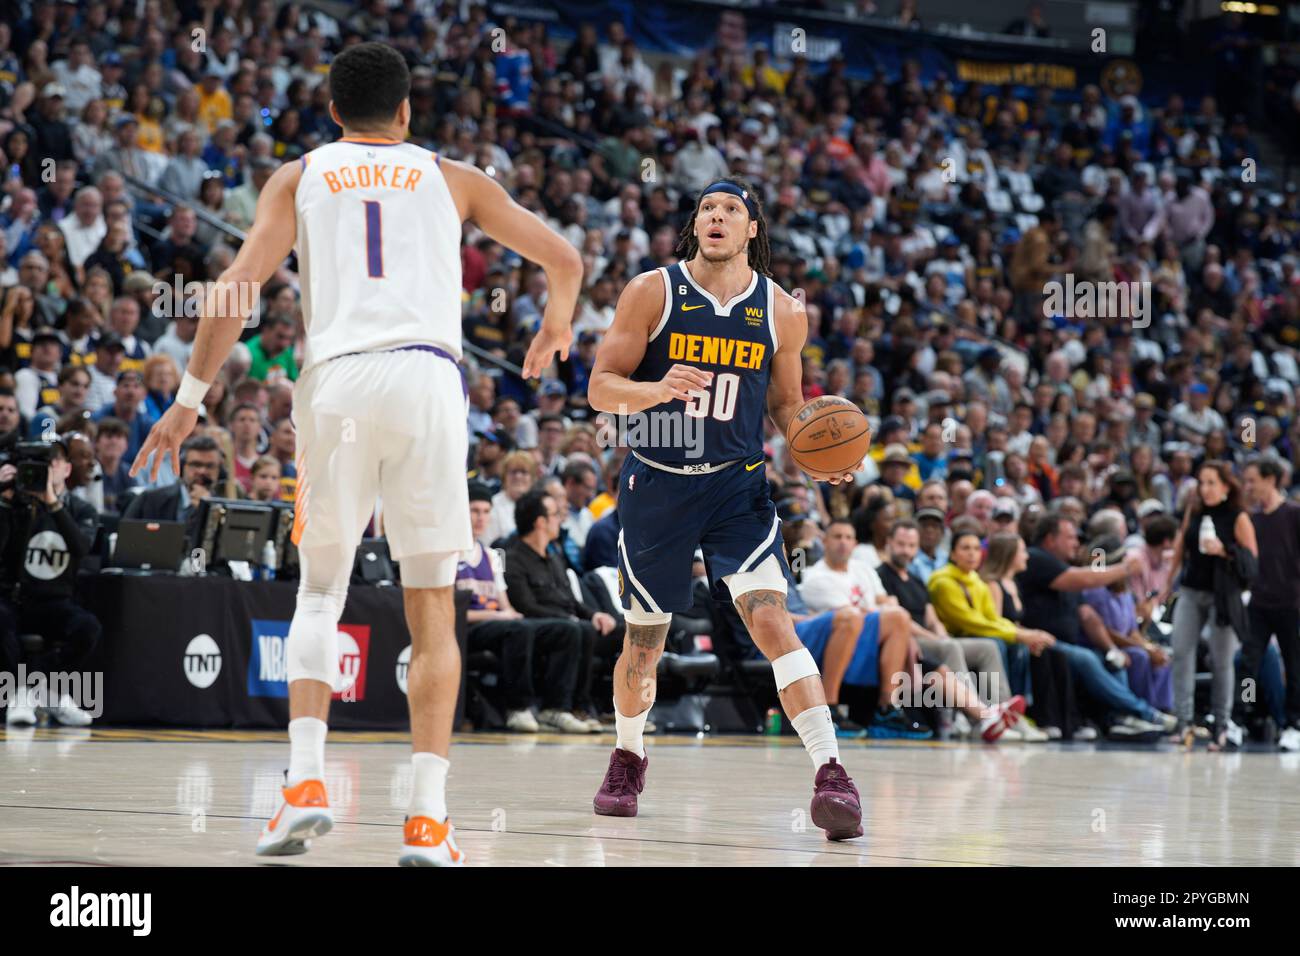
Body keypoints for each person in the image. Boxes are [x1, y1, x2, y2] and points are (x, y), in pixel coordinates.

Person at [130, 42, 580, 867]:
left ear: (332, 112)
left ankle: (303, 787)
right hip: (429, 382)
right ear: (407, 113)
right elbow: (566, 259)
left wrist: (189, 402)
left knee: (318, 591)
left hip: (337, 384)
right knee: (431, 608)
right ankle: (427, 823)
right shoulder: (454, 177)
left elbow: (236, 288)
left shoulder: (299, 176)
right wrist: (555, 326)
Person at [586, 178, 865, 841]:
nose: (715, 217)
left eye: (730, 210)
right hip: (658, 485)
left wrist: (822, 456)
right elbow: (601, 389)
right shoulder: (652, 291)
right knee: (644, 646)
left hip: (737, 489)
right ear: (695, 227)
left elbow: (787, 406)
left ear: (751, 231)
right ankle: (629, 753)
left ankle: (832, 772)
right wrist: (654, 391)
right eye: (706, 209)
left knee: (773, 621)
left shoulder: (781, 310)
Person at [1017, 516, 1178, 738]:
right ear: (1050, 539)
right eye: (1070, 537)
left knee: (1117, 659)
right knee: (1087, 658)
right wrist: (1124, 568)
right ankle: (1145, 713)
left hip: (1072, 643)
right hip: (1045, 641)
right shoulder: (1037, 558)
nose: (1076, 543)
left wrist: (1112, 648)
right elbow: (1083, 579)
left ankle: (1120, 719)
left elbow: (1089, 617)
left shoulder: (1070, 569)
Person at [460, 483, 587, 734]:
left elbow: (506, 606)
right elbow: (452, 612)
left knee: (566, 630)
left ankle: (556, 709)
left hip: (497, 623)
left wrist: (507, 614)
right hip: (467, 626)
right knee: (517, 629)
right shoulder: (450, 554)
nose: (481, 518)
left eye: (486, 511)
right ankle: (518, 707)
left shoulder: (491, 555)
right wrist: (500, 615)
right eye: (474, 510)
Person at [0, 437, 101, 727]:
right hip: (13, 596)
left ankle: (38, 691)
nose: (45, 468)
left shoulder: (81, 510)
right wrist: (4, 503)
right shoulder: (14, 502)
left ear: (66, 469)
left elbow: (81, 548)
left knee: (87, 627)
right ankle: (28, 693)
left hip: (54, 600)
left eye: (52, 461)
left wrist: (52, 503)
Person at [501, 489, 620, 730]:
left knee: (620, 633)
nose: (560, 519)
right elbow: (526, 606)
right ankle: (557, 707)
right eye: (555, 514)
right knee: (577, 630)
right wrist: (569, 618)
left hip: (568, 623)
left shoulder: (554, 558)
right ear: (540, 522)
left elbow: (572, 601)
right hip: (540, 626)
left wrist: (594, 614)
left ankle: (601, 708)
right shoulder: (514, 559)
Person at [1161, 461, 1258, 750]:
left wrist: (1224, 550)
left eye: (1211, 482)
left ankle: (1221, 724)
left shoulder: (1237, 516)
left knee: (1220, 660)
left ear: (1226, 487)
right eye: (1201, 482)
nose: (1204, 488)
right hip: (1191, 589)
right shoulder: (1195, 509)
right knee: (1180, 651)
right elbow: (1180, 545)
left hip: (1223, 594)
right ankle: (1183, 720)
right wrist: (1167, 585)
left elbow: (1252, 561)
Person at [1241, 459, 1300, 751]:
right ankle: (1241, 718)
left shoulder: (1294, 514)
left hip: (1292, 603)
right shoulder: (1252, 520)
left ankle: (1292, 724)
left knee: (1294, 664)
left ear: (1271, 480)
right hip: (1259, 603)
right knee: (1248, 663)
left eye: (1253, 481)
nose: (1248, 487)